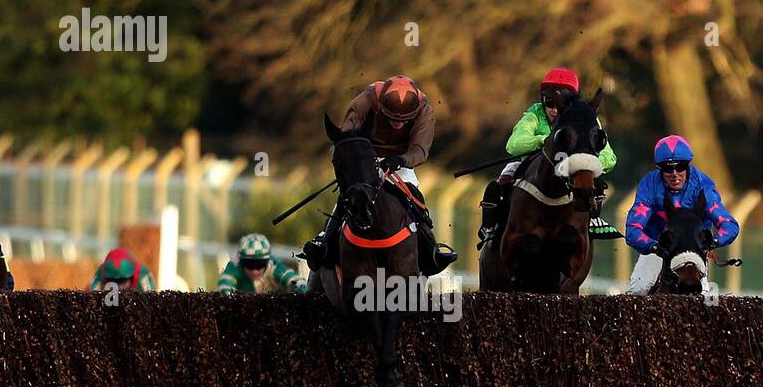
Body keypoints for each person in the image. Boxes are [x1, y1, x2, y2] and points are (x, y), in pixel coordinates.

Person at [301, 74, 456, 275]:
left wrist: (400, 160)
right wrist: (356, 162)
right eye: (391, 118)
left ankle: (431, 248)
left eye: (404, 120)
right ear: (381, 107)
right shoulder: (367, 99)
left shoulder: (424, 108)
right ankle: (325, 241)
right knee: (350, 195)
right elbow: (346, 136)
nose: (397, 124)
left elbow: (420, 150)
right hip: (365, 156)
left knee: (413, 197)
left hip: (401, 161)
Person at [477, 67, 618, 246]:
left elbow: (610, 157)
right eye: (549, 103)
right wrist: (546, 141)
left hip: (571, 170)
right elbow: (513, 145)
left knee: (593, 181)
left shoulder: (586, 116)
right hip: (533, 169)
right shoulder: (534, 114)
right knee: (504, 174)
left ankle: (592, 220)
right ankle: (491, 226)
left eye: (560, 103)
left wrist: (587, 161)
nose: (553, 110)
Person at [624, 135, 739, 294]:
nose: (674, 173)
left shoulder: (703, 185)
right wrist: (655, 246)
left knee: (705, 300)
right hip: (659, 250)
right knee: (638, 290)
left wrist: (712, 242)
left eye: (680, 167)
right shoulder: (650, 184)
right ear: (660, 168)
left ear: (688, 166)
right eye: (667, 168)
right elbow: (633, 230)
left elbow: (729, 225)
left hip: (694, 252)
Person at [218, 233, 306, 295]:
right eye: (249, 265)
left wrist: (302, 287)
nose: (254, 271)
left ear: (267, 262)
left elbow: (293, 279)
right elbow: (225, 284)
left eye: (260, 265)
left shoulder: (274, 267)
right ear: (241, 261)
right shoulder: (235, 267)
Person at [90, 248, 156, 292]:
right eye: (113, 280)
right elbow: (92, 296)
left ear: (131, 276)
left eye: (122, 280)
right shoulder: (101, 273)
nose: (119, 287)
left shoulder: (143, 275)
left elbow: (151, 303)